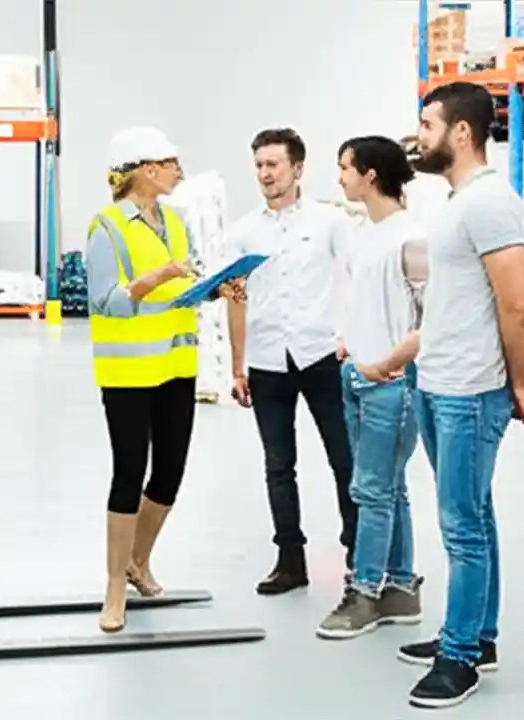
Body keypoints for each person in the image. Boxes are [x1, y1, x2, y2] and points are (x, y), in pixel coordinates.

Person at [396, 81, 524, 710]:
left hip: (471, 391)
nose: (418, 137)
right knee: (473, 516)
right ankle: (478, 634)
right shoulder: (454, 200)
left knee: (462, 527)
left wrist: (521, 380)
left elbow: (518, 302)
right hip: (439, 378)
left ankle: (460, 657)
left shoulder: (492, 203)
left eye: (427, 125)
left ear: (462, 133)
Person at [86, 126, 242, 632]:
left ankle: (139, 561)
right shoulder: (105, 228)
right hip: (129, 371)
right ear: (147, 170)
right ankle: (114, 587)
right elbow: (104, 300)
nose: (180, 170)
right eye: (172, 162)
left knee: (169, 472)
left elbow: (187, 284)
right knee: (129, 473)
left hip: (177, 368)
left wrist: (216, 290)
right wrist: (156, 278)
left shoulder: (174, 221)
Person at [226, 127, 358, 595]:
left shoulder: (330, 223)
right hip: (267, 362)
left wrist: (349, 337)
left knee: (344, 460)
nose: (264, 173)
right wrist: (237, 366)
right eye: (259, 165)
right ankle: (289, 559)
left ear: (297, 169)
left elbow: (353, 281)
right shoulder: (243, 232)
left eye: (273, 164)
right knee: (278, 465)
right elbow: (235, 299)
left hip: (322, 355)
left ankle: (358, 554)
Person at [315, 135, 427, 640]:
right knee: (388, 488)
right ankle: (400, 588)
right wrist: (346, 343)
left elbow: (433, 318)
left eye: (344, 167)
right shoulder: (365, 234)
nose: (339, 177)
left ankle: (365, 592)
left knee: (371, 491)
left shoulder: (412, 237)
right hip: (358, 377)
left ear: (371, 175)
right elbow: (361, 302)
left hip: (392, 383)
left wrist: (389, 362)